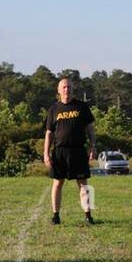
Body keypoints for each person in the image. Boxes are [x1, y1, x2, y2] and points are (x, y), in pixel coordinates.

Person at [43, 76, 96, 225]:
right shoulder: (53, 109)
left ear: (73, 90)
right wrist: (46, 153)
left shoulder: (82, 107)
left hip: (78, 151)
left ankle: (88, 215)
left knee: (83, 184)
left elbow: (90, 129)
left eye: (69, 87)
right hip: (60, 152)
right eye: (64, 87)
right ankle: (55, 216)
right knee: (57, 183)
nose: (67, 89)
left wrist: (93, 146)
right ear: (59, 90)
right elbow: (49, 133)